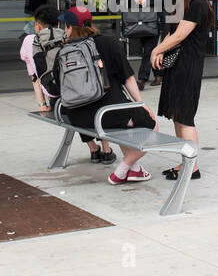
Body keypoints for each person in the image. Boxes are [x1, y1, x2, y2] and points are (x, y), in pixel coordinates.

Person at [51, 10, 156, 184]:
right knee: (151, 125)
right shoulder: (108, 42)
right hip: (108, 114)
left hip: (78, 117)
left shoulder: (64, 51)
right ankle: (121, 171)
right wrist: (141, 104)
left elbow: (58, 85)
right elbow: (128, 77)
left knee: (125, 123)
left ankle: (136, 170)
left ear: (69, 28)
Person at [151, 0, 212, 181]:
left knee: (185, 117)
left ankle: (192, 167)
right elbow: (172, 32)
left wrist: (154, 50)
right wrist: (160, 50)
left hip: (188, 67)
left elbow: (180, 35)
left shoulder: (198, 5)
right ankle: (184, 162)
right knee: (177, 116)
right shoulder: (184, 2)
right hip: (177, 66)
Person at [32, 5, 114, 161]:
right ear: (58, 23)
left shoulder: (36, 40)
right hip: (85, 88)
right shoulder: (65, 35)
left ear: (38, 24)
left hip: (60, 98)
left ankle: (93, 149)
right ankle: (106, 149)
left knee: (75, 110)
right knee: (92, 106)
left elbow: (39, 70)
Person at [131, 0, 165, 87]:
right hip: (142, 20)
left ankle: (142, 78)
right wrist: (137, 1)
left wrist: (144, 0)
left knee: (149, 49)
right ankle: (159, 74)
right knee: (148, 48)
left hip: (155, 19)